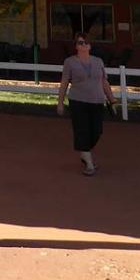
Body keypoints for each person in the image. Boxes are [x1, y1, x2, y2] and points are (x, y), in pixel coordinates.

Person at [57, 34, 116, 176]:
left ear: (90, 46)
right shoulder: (70, 62)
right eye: (80, 43)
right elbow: (64, 82)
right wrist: (60, 102)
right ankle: (89, 163)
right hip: (78, 101)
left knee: (96, 131)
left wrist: (112, 100)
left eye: (85, 43)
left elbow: (104, 82)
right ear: (76, 46)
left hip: (97, 101)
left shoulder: (98, 62)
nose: (83, 45)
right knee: (82, 130)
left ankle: (85, 152)